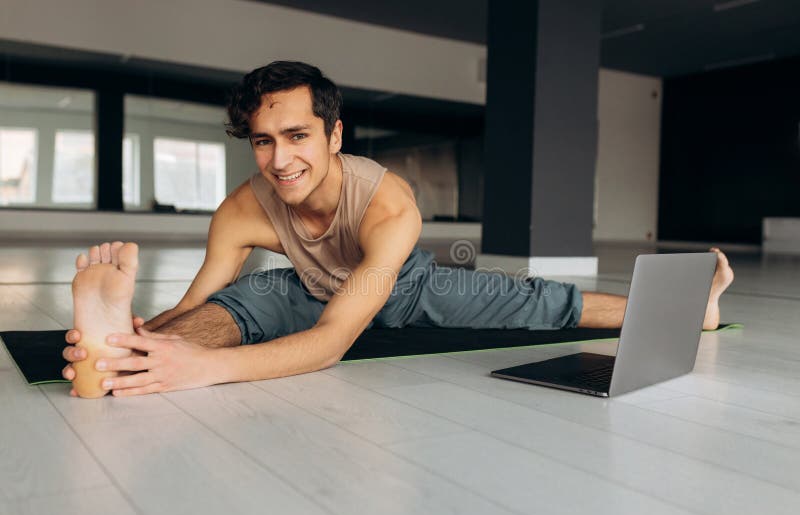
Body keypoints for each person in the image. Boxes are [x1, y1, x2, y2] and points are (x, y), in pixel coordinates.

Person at [61, 61, 735, 397]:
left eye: (296, 136)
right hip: (302, 286)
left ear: (334, 135)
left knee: (538, 304)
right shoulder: (242, 209)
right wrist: (152, 329)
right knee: (225, 310)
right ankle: (115, 349)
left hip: (399, 286)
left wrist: (206, 371)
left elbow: (331, 344)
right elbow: (199, 299)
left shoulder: (390, 205)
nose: (279, 159)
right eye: (263, 141)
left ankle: (693, 310)